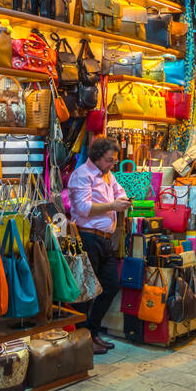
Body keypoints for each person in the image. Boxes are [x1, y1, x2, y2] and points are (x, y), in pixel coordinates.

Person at [66, 136, 130, 355]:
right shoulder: (82, 176)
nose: (112, 165)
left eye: (113, 161)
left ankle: (92, 331)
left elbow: (120, 190)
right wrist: (112, 205)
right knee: (86, 291)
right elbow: (83, 208)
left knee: (111, 285)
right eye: (109, 161)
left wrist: (120, 199)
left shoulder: (107, 175)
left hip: (104, 239)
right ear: (96, 157)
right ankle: (83, 336)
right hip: (87, 238)